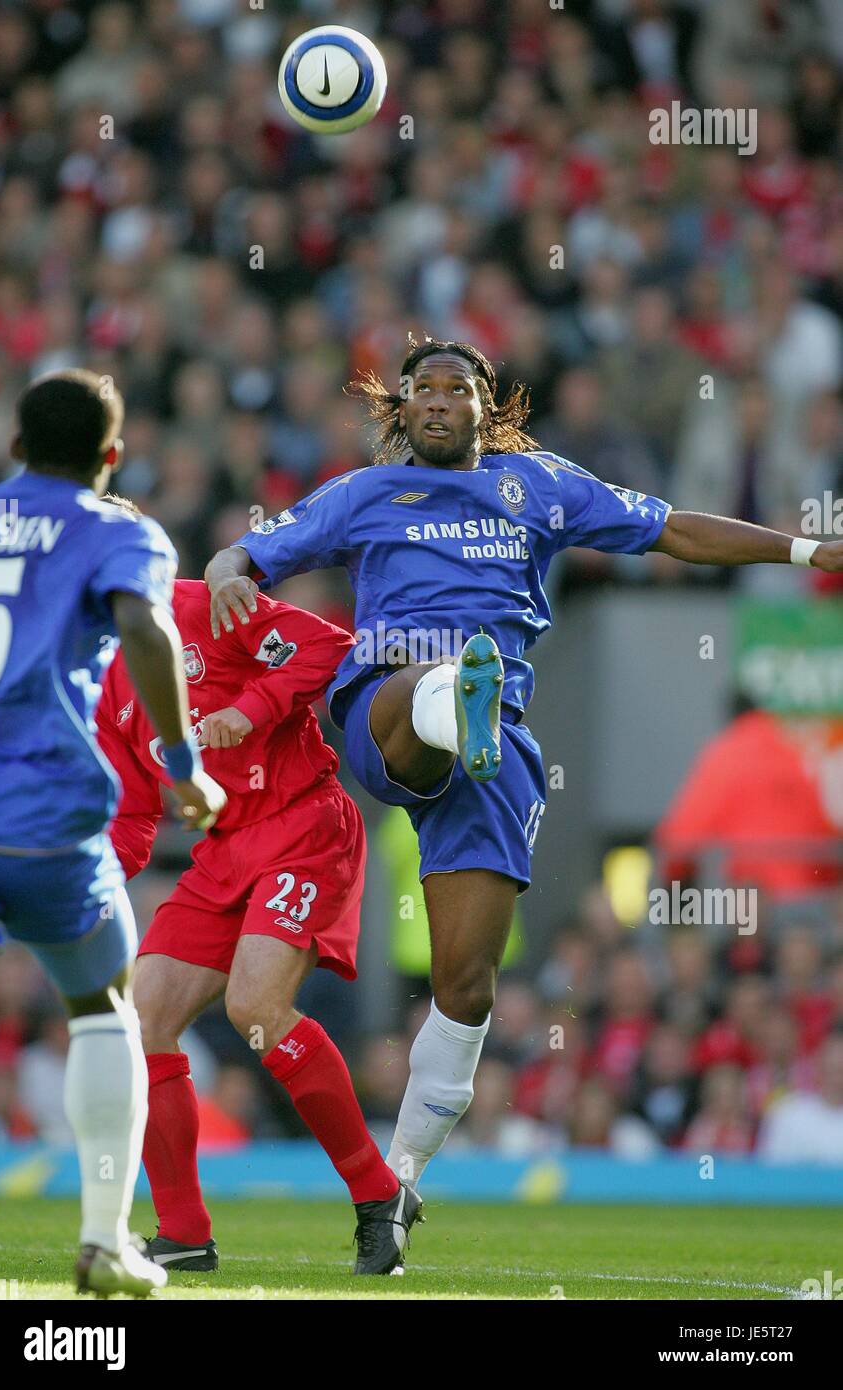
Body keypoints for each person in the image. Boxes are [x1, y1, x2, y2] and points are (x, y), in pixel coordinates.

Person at [204, 336, 843, 1264]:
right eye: (419, 389)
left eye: (453, 389)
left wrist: (806, 548)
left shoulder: (536, 485)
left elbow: (673, 529)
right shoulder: (363, 493)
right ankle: (444, 701)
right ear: (401, 412)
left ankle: (396, 1185)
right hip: (379, 703)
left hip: (495, 742)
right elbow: (249, 553)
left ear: (482, 405)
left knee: (466, 988)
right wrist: (227, 577)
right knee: (417, 682)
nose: (434, 400)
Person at [0, 370, 226, 1298]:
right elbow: (144, 627)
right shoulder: (117, 528)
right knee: (103, 1008)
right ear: (111, 457)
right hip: (43, 817)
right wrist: (181, 757)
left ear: (11, 445)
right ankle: (105, 1240)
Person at [96, 556, 407, 1275]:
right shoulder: (101, 679)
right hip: (223, 851)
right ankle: (184, 1233)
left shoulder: (209, 606)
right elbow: (134, 816)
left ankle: (375, 1192)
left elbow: (329, 646)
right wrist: (83, 891)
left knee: (254, 1007)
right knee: (140, 1024)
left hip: (303, 825)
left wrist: (253, 706)